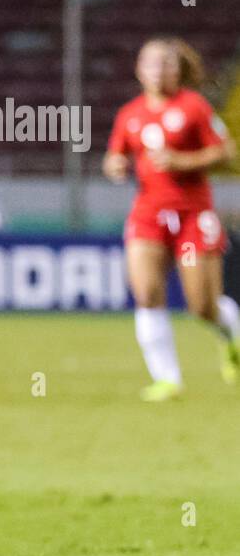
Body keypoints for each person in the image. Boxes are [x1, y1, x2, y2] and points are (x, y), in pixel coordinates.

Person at [103, 36, 239, 400]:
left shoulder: (194, 107)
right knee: (146, 293)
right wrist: (115, 166)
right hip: (148, 215)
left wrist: (184, 161)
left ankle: (233, 333)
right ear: (138, 70)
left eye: (166, 63)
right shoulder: (129, 114)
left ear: (178, 70)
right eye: (151, 63)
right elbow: (115, 157)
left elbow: (227, 151)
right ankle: (167, 379)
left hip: (193, 216)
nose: (159, 70)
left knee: (201, 306)